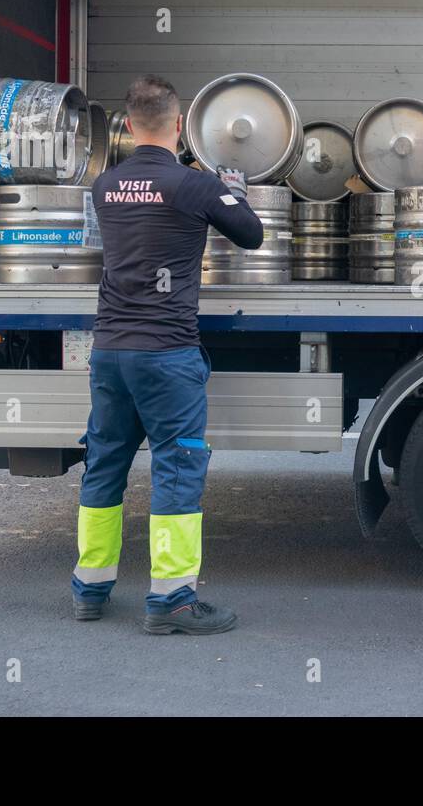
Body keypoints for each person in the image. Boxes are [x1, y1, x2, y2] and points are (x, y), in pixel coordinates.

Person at [71, 74, 263, 635]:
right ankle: (172, 599)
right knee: (177, 466)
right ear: (179, 126)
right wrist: (233, 190)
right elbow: (249, 234)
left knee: (104, 463)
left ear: (128, 127)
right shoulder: (194, 185)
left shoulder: (105, 186)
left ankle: (90, 588)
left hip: (109, 350)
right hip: (166, 352)